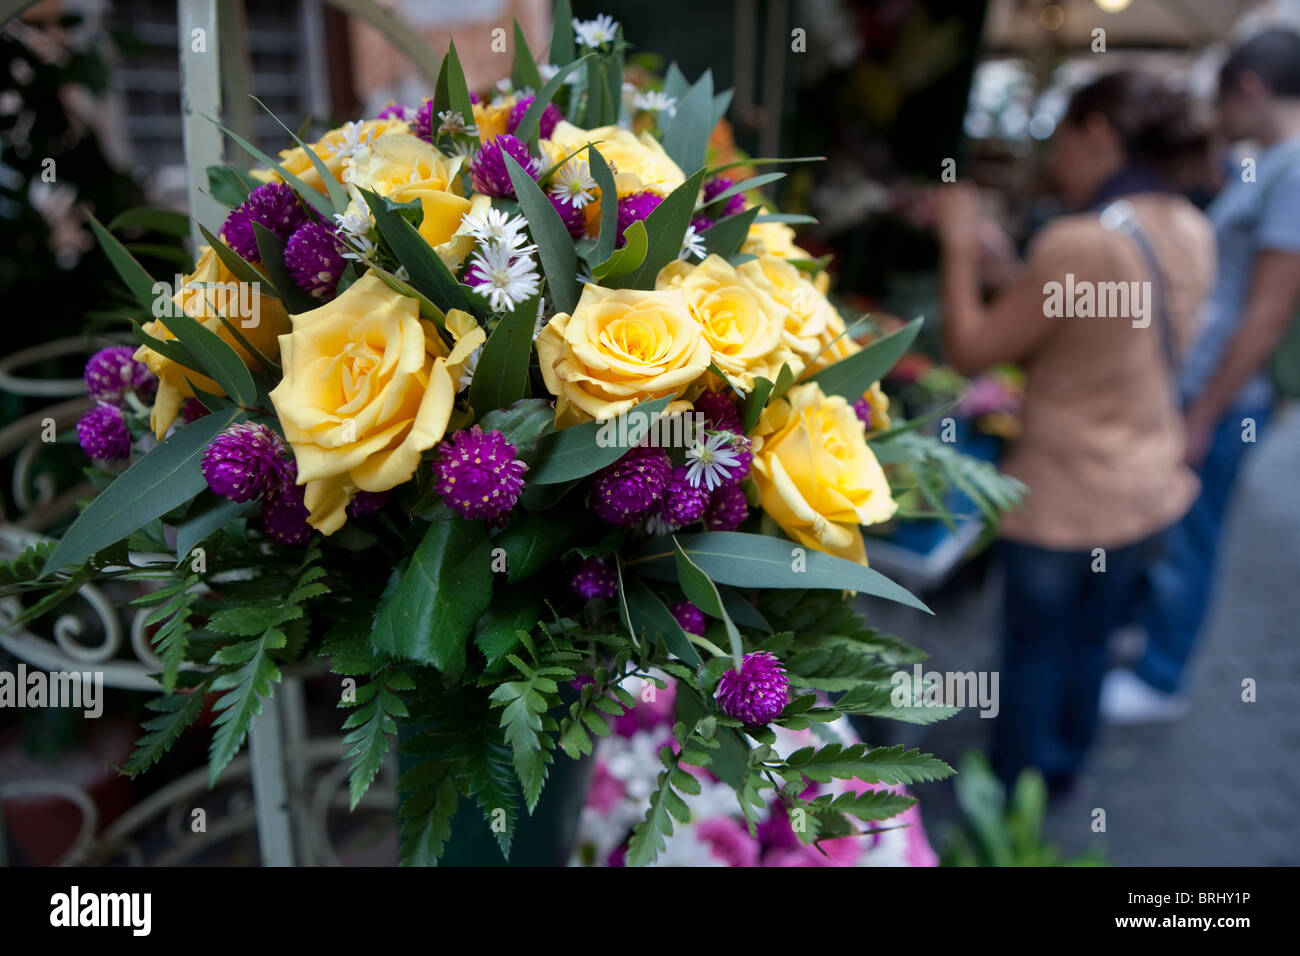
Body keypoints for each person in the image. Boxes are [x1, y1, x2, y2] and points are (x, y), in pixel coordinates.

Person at [934, 71, 1215, 792]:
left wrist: (958, 247)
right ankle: (1063, 772)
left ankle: (1010, 795)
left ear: (1097, 135)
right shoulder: (1190, 226)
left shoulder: (1081, 239)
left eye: (1063, 137)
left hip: (1063, 495)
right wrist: (1013, 272)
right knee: (1090, 643)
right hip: (1143, 484)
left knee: (1033, 652)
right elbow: (1094, 334)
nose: (1055, 159)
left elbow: (971, 349)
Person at [1102, 28, 1300, 723]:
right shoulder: (1271, 165)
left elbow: (1267, 312)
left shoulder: (1294, 169)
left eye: (1223, 100)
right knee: (1178, 525)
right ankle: (1149, 640)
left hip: (1230, 397)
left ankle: (1163, 679)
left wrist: (1205, 412)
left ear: (1248, 88)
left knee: (1194, 532)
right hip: (1214, 391)